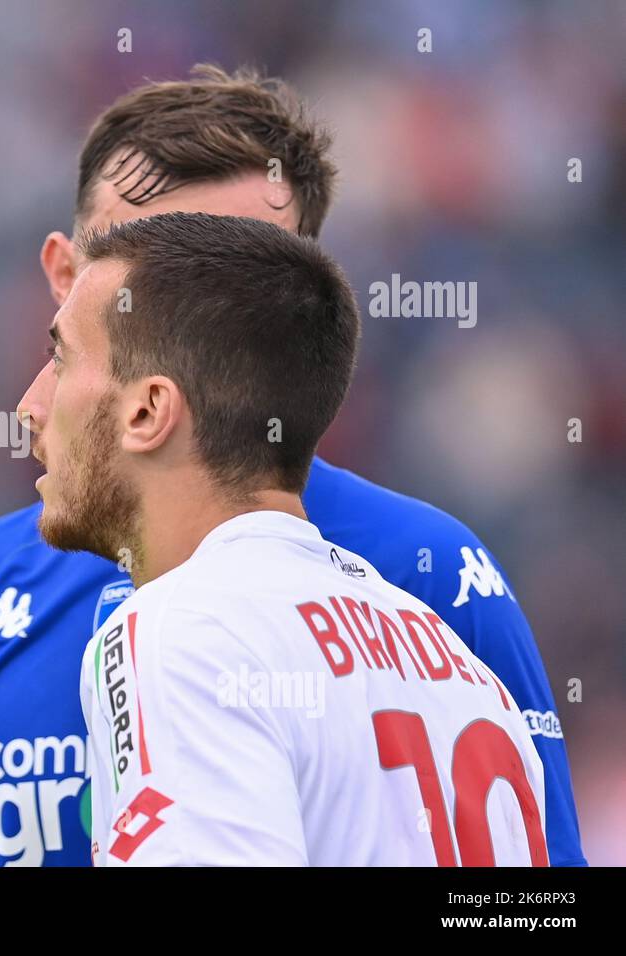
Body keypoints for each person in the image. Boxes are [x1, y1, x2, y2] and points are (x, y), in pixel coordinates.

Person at [0, 65, 582, 867]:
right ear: (63, 283)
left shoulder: (428, 576)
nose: (197, 301)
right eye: (143, 272)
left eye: (241, 271)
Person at [32, 210, 546, 865]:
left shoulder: (182, 631)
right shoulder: (457, 665)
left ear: (147, 410)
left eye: (60, 359)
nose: (32, 405)